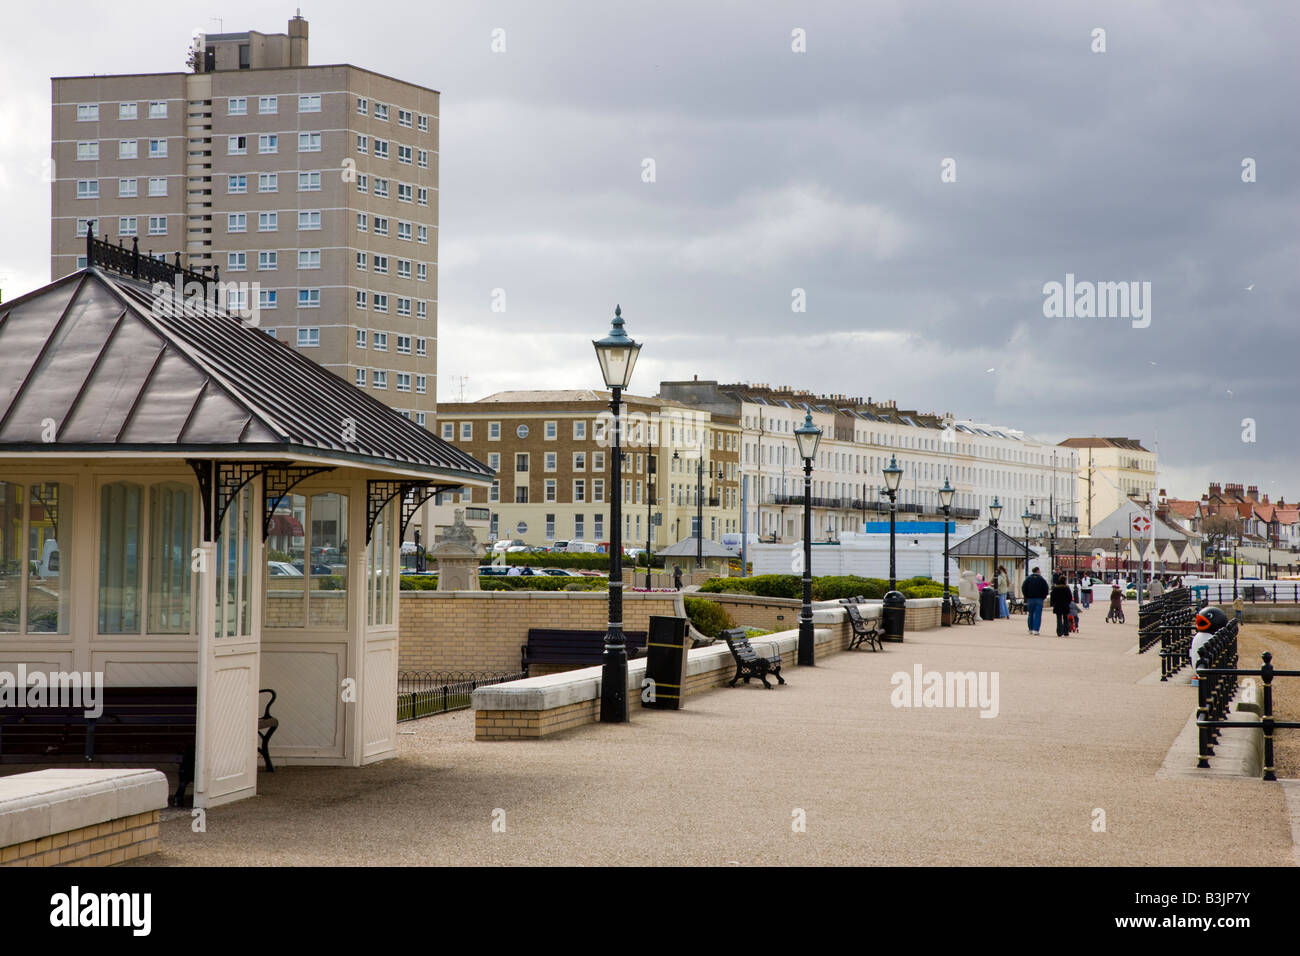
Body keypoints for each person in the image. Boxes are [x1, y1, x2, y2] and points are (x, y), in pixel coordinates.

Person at [1021, 566, 1050, 635]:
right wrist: (1043, 597)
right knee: (1037, 615)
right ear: (1038, 571)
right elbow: (1046, 589)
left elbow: (1023, 588)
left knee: (1030, 614)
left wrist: (1026, 596)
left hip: (1030, 599)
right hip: (1039, 599)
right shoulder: (1041, 579)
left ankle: (1030, 629)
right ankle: (1036, 630)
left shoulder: (1028, 579)